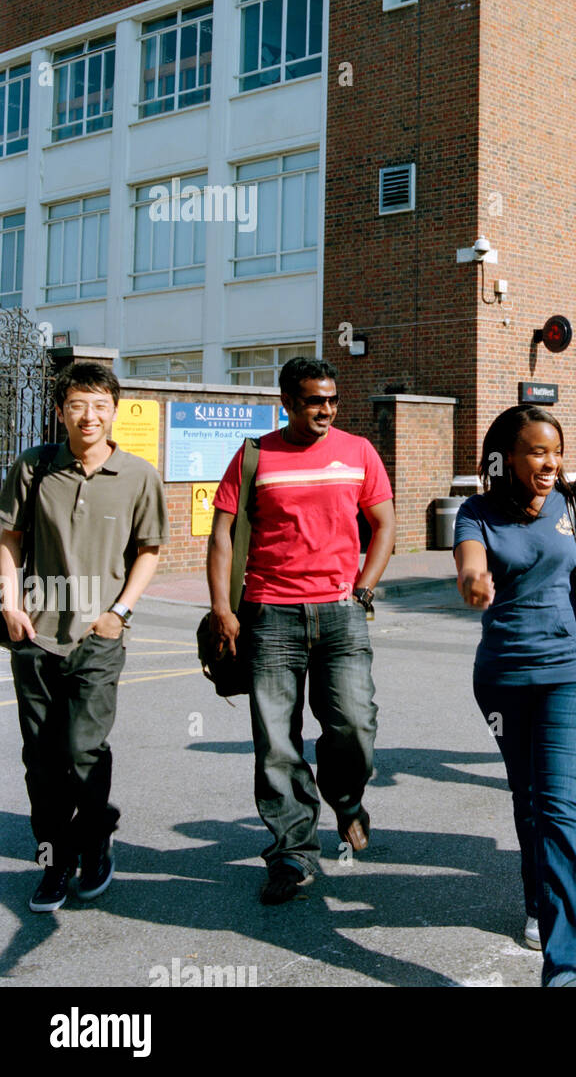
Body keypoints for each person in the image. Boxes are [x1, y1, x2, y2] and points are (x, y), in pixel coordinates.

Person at [455, 405, 576, 986]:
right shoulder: (477, 512)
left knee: (561, 807)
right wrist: (473, 582)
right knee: (528, 798)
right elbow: (467, 565)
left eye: (556, 450)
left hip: (572, 670)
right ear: (508, 456)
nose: (550, 461)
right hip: (504, 677)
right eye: (537, 451)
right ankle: (539, 899)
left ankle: (568, 965)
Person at [207, 357, 395, 905]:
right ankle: (292, 851)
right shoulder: (254, 457)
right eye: (315, 400)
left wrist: (363, 589)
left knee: (355, 724)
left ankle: (345, 797)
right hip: (270, 613)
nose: (327, 410)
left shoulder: (358, 451)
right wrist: (223, 607)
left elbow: (383, 524)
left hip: (340, 613)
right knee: (276, 741)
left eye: (332, 399)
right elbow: (222, 537)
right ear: (287, 401)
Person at [0, 362, 168, 913]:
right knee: (41, 758)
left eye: (99, 404)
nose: (88, 415)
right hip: (36, 635)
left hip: (98, 637)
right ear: (60, 411)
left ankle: (95, 841)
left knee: (83, 750)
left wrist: (119, 611)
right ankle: (52, 862)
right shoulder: (34, 467)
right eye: (77, 405)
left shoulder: (138, 475)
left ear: (114, 410)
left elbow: (149, 549)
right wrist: (9, 598)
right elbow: (10, 537)